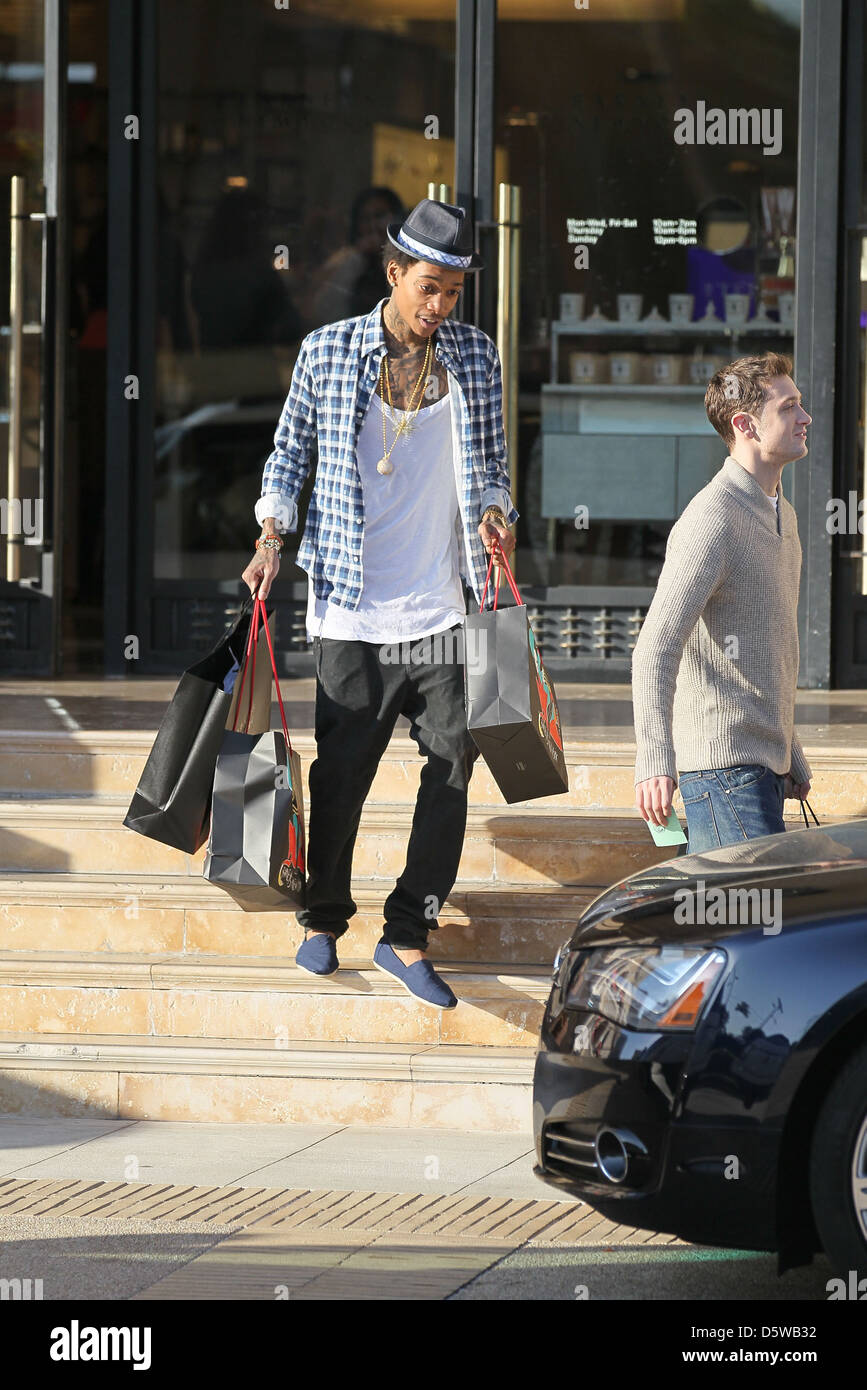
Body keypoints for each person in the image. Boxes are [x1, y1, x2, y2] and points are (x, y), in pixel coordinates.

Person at [242, 198, 517, 1009]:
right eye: (428, 288)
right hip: (352, 608)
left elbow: (492, 464)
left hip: (441, 603)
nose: (439, 308)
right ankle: (322, 919)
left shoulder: (474, 357)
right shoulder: (328, 352)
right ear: (394, 274)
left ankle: (407, 934)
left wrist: (497, 514)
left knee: (454, 766)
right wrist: (269, 537)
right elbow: (287, 453)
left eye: (453, 293)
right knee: (344, 775)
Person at [632, 351, 813, 853]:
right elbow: (654, 649)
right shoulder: (712, 519)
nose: (805, 417)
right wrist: (654, 762)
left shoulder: (785, 517)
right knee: (751, 922)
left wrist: (789, 752)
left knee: (742, 922)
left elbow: (772, 648)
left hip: (763, 770)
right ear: (746, 425)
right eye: (789, 407)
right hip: (723, 774)